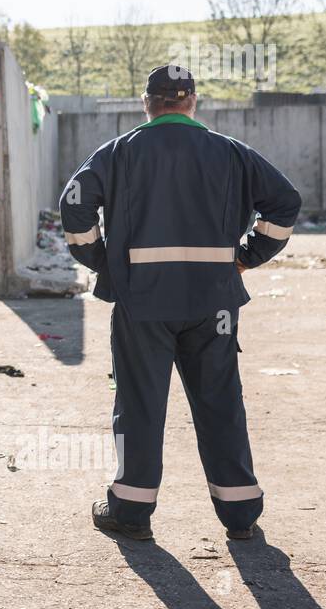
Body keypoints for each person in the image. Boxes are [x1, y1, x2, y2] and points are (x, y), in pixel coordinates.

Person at [59, 65, 301, 541]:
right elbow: (285, 202)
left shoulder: (119, 152)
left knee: (140, 405)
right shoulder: (231, 153)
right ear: (192, 103)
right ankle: (240, 514)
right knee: (220, 402)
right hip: (214, 304)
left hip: (142, 302)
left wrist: (102, 261)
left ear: (147, 103)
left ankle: (131, 512)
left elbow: (74, 204)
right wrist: (247, 257)